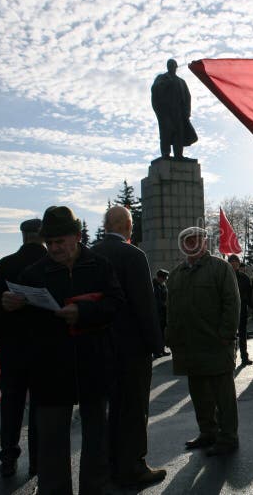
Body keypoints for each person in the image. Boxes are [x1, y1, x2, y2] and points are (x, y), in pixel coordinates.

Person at [2, 206, 123, 494]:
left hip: (94, 365)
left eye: (60, 241)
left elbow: (116, 304)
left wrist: (83, 312)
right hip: (50, 371)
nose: (54, 248)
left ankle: (96, 488)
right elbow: (20, 325)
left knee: (97, 439)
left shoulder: (100, 266)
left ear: (77, 236)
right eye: (49, 242)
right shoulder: (33, 273)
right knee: (51, 445)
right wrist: (7, 306)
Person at [91, 206, 167, 488]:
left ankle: (111, 465)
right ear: (127, 226)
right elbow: (144, 304)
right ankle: (134, 467)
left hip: (99, 346)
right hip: (131, 349)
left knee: (110, 411)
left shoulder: (91, 254)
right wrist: (157, 344)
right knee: (134, 410)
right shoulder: (133, 255)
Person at [0, 218, 46, 478]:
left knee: (11, 404)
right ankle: (38, 461)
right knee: (41, 406)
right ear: (43, 235)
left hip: (12, 350)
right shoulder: (51, 264)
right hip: (44, 351)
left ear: (23, 235)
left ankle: (8, 457)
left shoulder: (5, 265)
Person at [167, 226, 241, 455]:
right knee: (199, 395)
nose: (192, 244)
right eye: (187, 241)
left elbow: (232, 303)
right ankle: (208, 432)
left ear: (205, 242)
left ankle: (228, 437)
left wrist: (226, 334)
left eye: (196, 240)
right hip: (189, 347)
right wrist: (171, 336)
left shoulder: (220, 268)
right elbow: (171, 309)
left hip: (216, 344)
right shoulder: (176, 274)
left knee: (223, 396)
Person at [151, 58, 197, 159]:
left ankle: (178, 155)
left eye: (173, 65)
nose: (171, 67)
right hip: (166, 112)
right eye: (169, 65)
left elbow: (187, 97)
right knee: (166, 132)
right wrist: (166, 83)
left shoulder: (181, 82)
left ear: (176, 67)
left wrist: (187, 111)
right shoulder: (162, 78)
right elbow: (155, 88)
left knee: (179, 133)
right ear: (167, 67)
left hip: (179, 112)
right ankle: (165, 154)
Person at [228, 254, 253, 366]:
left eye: (236, 263)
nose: (234, 265)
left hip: (242, 310)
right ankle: (231, 358)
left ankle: (244, 357)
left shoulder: (245, 278)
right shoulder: (225, 276)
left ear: (238, 264)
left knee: (242, 335)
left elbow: (250, 294)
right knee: (230, 335)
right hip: (229, 310)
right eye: (232, 263)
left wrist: (252, 308)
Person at [152, 269, 171, 357]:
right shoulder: (155, 286)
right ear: (160, 278)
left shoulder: (162, 285)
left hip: (163, 313)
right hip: (157, 313)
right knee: (157, 333)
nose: (165, 280)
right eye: (164, 278)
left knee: (162, 333)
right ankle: (156, 352)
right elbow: (156, 301)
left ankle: (162, 350)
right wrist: (165, 305)